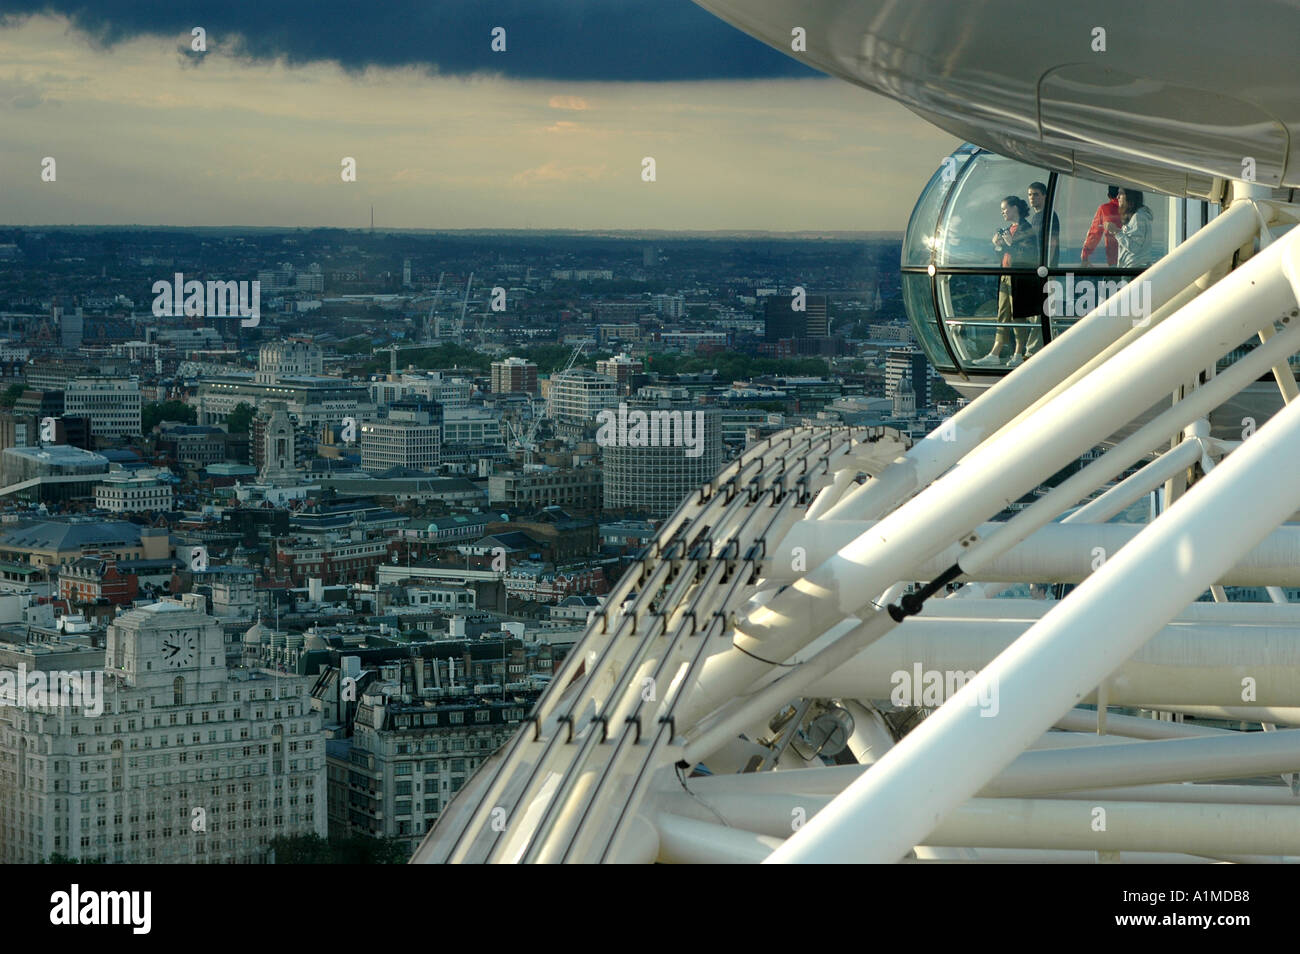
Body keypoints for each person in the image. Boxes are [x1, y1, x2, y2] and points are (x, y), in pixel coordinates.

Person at [974, 196, 1035, 366]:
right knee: (1003, 313)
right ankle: (996, 351)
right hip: (1006, 275)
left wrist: (1009, 244)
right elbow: (1005, 254)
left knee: (1017, 315)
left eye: (1005, 209)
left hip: (1018, 276)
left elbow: (1028, 255)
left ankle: (1018, 353)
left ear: (1015, 208)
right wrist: (999, 246)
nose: (1003, 212)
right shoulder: (1011, 229)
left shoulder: (1026, 229)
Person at [1107, 188, 1154, 267]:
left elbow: (1134, 247)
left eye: (1121, 193)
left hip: (1134, 268)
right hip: (1132, 266)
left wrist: (1117, 232)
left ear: (1130, 197)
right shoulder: (1135, 217)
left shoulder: (1138, 217)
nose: (1117, 197)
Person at [1081, 185, 1121, 265]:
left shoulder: (1104, 209)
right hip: (1134, 260)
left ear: (1108, 196)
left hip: (1114, 259)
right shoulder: (1132, 209)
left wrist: (1085, 254)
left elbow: (1094, 234)